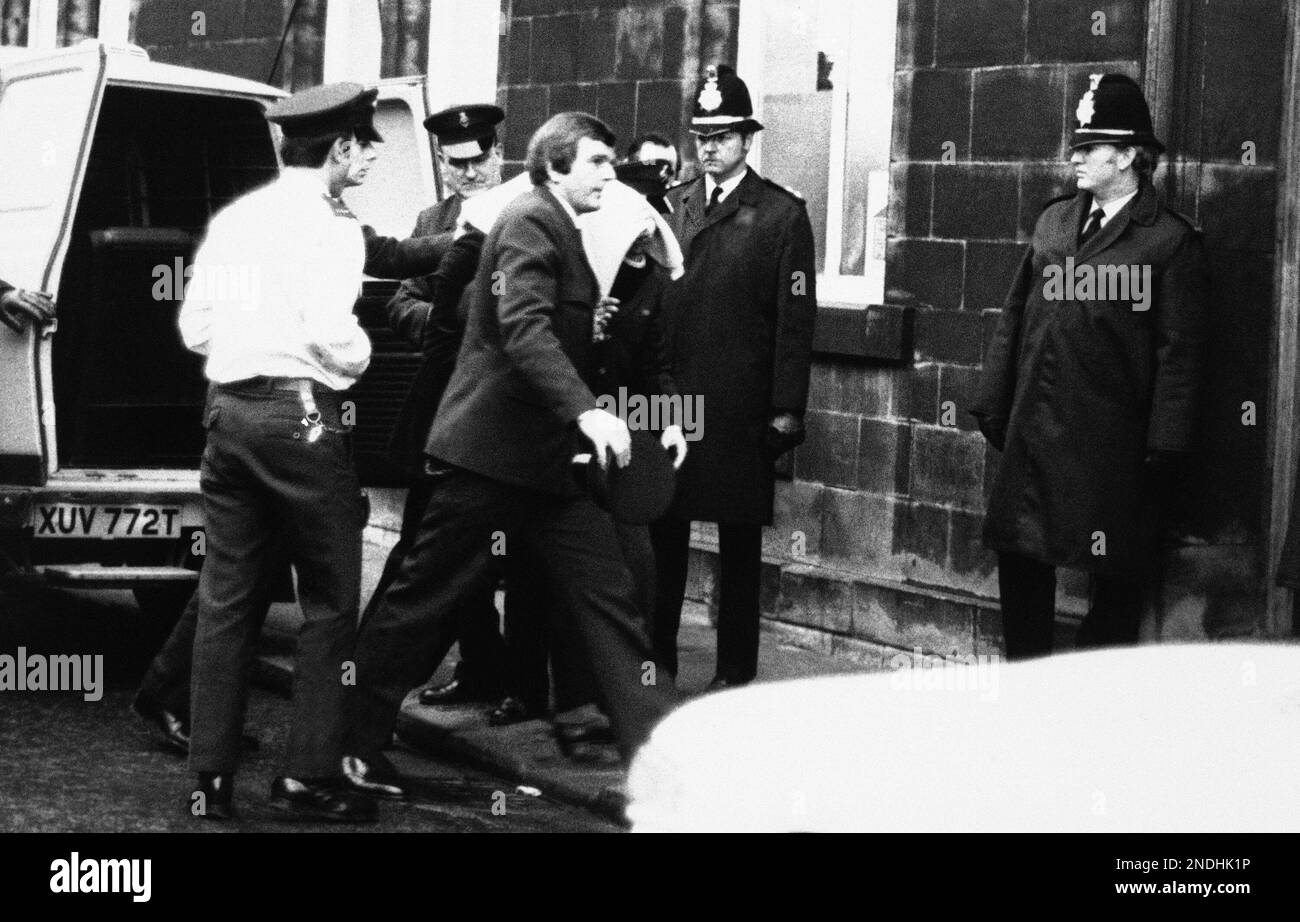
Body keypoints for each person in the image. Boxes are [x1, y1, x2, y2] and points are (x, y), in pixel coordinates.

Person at [343, 113, 679, 796]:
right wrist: (588, 412)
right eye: (596, 163)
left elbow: (583, 344)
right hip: (490, 458)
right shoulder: (530, 221)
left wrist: (648, 416)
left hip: (547, 464)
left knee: (609, 599)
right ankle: (348, 743)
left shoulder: (569, 230)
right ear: (554, 167)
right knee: (423, 601)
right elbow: (524, 330)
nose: (610, 176)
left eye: (611, 163)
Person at [131, 96, 453, 760]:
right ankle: (309, 770)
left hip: (228, 412)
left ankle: (205, 763)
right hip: (302, 418)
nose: (370, 157)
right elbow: (335, 334)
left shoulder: (241, 217)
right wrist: (358, 356)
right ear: (339, 148)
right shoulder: (328, 226)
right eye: (364, 145)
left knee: (232, 583)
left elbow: (196, 327)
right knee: (330, 601)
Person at [971, 73, 1209, 659]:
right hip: (1036, 423)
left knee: (1113, 573)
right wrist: (994, 400)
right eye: (1076, 145)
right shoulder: (1054, 223)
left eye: (1090, 146)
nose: (1075, 156)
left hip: (1110, 440)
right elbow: (1016, 313)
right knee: (1022, 554)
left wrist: (1165, 444)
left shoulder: (1169, 242)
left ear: (1128, 155)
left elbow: (1180, 354)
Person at [651, 65, 818, 689]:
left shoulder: (780, 215)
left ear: (748, 139)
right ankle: (658, 668)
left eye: (724, 134)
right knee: (663, 536)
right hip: (674, 404)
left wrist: (786, 411)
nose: (711, 145)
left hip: (740, 405)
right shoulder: (674, 204)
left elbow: (795, 323)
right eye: (702, 134)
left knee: (738, 545)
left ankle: (733, 676)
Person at [378, 103, 512, 711]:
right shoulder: (434, 220)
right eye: (456, 165)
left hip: (498, 400)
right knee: (435, 542)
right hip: (443, 402)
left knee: (490, 546)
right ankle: (477, 665)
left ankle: (507, 674)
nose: (469, 174)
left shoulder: (517, 214)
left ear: (496, 154)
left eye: (478, 160)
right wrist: (434, 320)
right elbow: (400, 299)